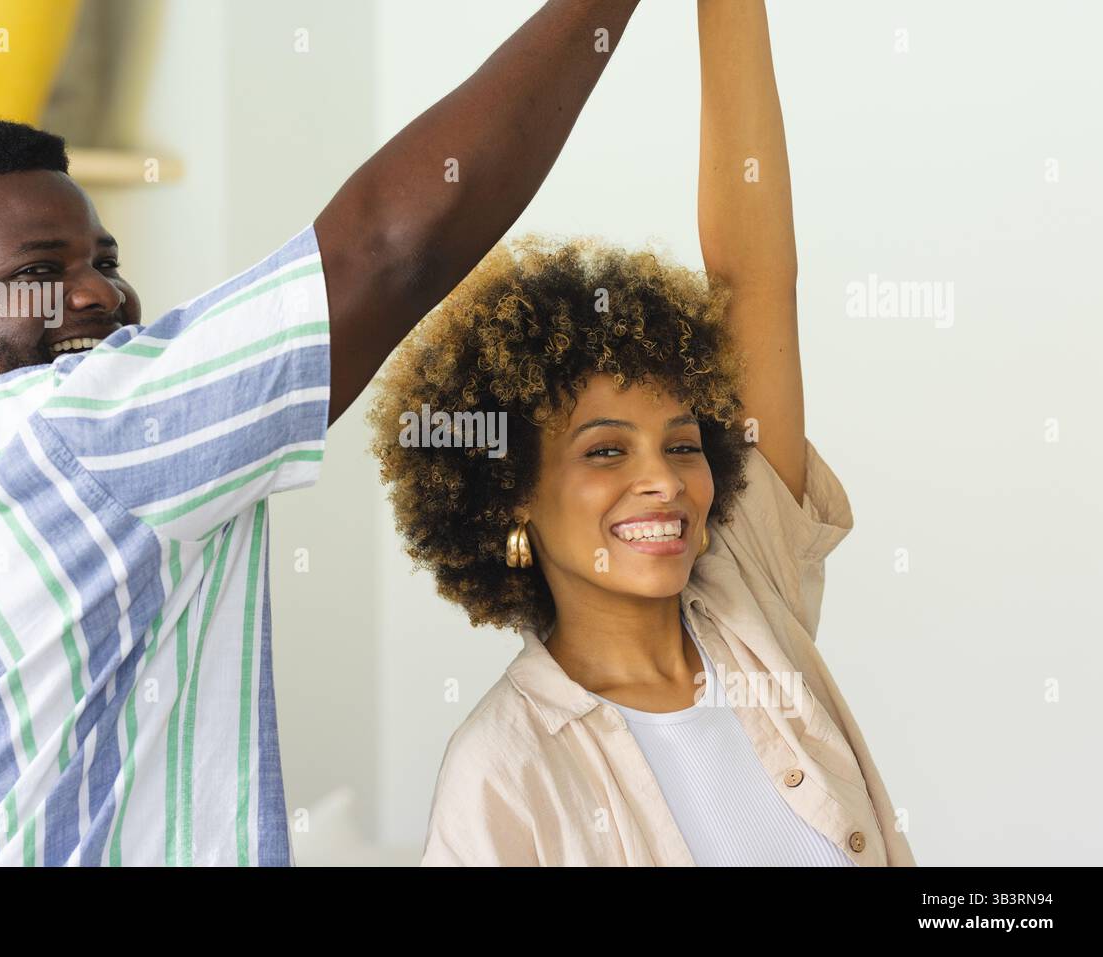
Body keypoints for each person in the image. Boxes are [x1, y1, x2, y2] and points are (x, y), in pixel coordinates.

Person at [0, 0, 644, 866]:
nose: (98, 295)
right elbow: (391, 250)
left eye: (106, 261)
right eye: (37, 274)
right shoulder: (62, 441)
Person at [368, 0, 916, 866]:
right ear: (511, 493)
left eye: (684, 441)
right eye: (605, 449)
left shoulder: (748, 589)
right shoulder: (501, 776)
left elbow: (752, 278)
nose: (664, 480)